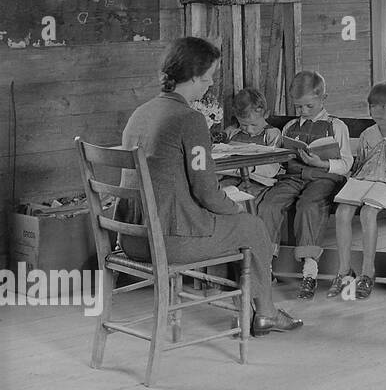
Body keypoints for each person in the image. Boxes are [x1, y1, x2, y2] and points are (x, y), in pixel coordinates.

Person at [119, 36, 300, 335]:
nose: (211, 83)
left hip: (132, 239)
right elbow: (205, 191)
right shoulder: (189, 119)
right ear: (194, 76)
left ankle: (256, 309)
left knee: (241, 223)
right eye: (209, 76)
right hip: (169, 241)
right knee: (252, 226)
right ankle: (265, 313)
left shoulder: (141, 113)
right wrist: (233, 208)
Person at [257, 71, 354, 300]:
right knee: (269, 203)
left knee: (308, 206)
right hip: (293, 176)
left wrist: (323, 163)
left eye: (308, 106)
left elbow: (347, 163)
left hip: (324, 178)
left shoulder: (336, 126)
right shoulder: (290, 126)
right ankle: (265, 266)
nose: (303, 111)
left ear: (324, 98)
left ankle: (309, 271)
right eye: (298, 107)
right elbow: (280, 159)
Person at [330, 81, 386, 300]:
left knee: (368, 213)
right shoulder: (367, 134)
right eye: (373, 106)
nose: (378, 111)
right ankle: (344, 270)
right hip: (363, 180)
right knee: (342, 212)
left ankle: (368, 272)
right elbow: (360, 166)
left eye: (385, 106)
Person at [219, 88, 283, 201]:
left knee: (245, 200)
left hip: (258, 180)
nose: (249, 129)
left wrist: (252, 167)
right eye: (243, 124)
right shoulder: (232, 132)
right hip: (232, 176)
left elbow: (274, 165)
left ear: (266, 114)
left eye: (254, 124)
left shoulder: (272, 134)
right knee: (219, 195)